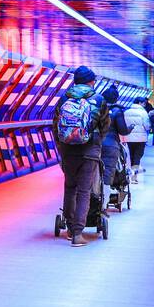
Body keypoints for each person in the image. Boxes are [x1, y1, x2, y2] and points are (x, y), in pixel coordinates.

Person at [52, 66, 109, 246]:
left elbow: (55, 126)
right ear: (91, 82)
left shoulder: (63, 99)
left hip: (68, 151)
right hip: (90, 152)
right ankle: (78, 234)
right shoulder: (99, 99)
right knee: (84, 191)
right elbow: (105, 125)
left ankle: (69, 228)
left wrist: (62, 148)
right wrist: (97, 143)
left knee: (70, 188)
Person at [99, 86, 130, 206]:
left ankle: (91, 198)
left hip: (95, 144)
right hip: (111, 145)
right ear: (116, 99)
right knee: (107, 174)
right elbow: (123, 131)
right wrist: (130, 128)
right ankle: (103, 203)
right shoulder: (117, 111)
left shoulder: (96, 108)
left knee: (92, 172)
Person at [122, 97, 150, 183]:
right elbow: (147, 126)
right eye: (144, 103)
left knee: (130, 156)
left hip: (128, 137)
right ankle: (134, 177)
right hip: (140, 139)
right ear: (140, 103)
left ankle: (130, 174)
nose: (145, 105)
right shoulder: (143, 113)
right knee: (137, 156)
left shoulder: (126, 112)